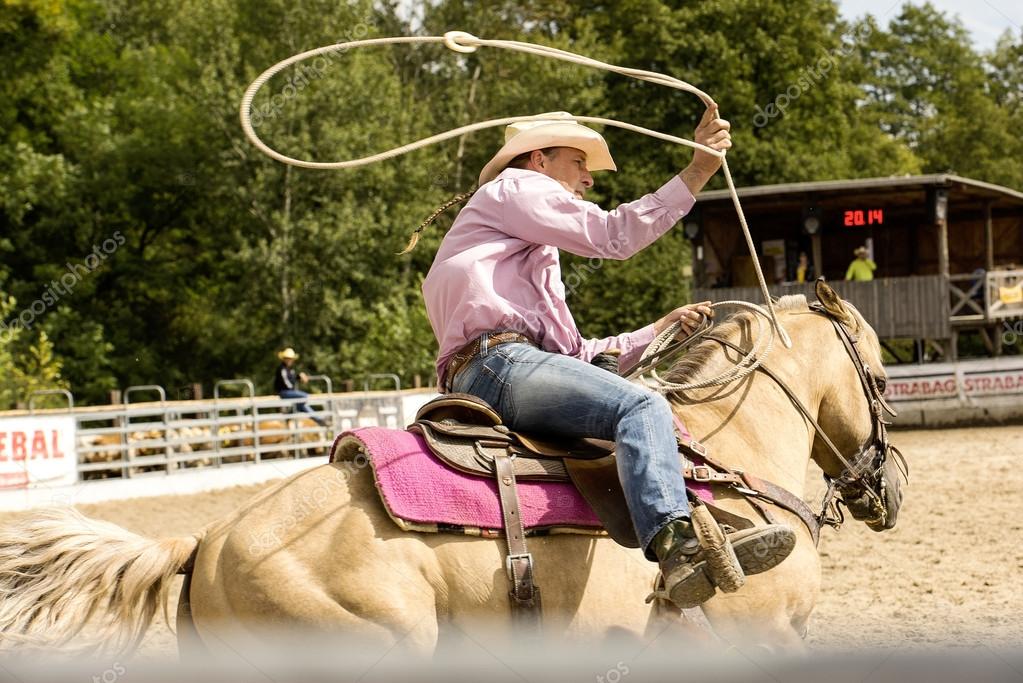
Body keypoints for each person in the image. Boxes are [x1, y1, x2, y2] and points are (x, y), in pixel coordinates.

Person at [410, 109, 795, 610]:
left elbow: (573, 354)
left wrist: (655, 332)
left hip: (493, 368)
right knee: (642, 409)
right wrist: (698, 170)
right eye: (578, 161)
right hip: (499, 365)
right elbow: (616, 235)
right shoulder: (516, 187)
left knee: (637, 408)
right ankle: (677, 547)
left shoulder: (522, 246)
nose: (589, 177)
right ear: (538, 159)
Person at [273, 347, 326, 426]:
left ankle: (319, 420)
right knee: (304, 396)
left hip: (289, 391)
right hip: (284, 392)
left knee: (302, 405)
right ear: (284, 359)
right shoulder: (282, 369)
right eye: (287, 358)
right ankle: (290, 415)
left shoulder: (290, 369)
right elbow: (287, 383)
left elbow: (292, 379)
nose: (289, 360)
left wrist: (299, 376)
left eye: (290, 358)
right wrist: (296, 381)